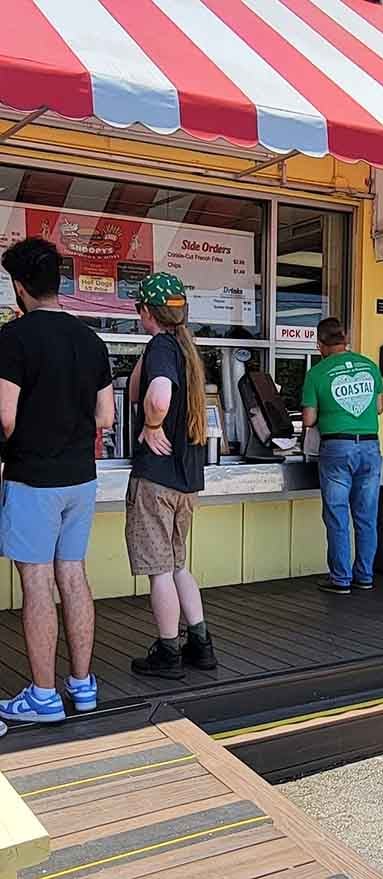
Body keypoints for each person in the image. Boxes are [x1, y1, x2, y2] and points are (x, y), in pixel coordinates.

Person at [0, 237, 114, 724]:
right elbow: (105, 415)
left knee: (38, 582)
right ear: (57, 283)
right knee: (73, 574)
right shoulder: (91, 340)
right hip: (80, 480)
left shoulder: (14, 339)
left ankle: (44, 696)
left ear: (20, 287)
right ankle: (83, 686)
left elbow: (5, 418)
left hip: (33, 479)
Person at [126, 272, 216, 679]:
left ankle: (168, 651)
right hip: (184, 482)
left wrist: (153, 425)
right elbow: (134, 390)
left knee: (159, 570)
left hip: (157, 479)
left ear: (147, 311)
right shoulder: (182, 348)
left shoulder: (162, 346)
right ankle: (200, 644)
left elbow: (156, 396)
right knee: (179, 565)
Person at [302, 318, 383, 595]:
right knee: (366, 516)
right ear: (345, 339)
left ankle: (340, 579)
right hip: (370, 447)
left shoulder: (317, 373)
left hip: (337, 449)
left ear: (320, 344)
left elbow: (309, 418)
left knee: (338, 515)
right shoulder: (370, 366)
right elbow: (380, 407)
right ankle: (365, 576)